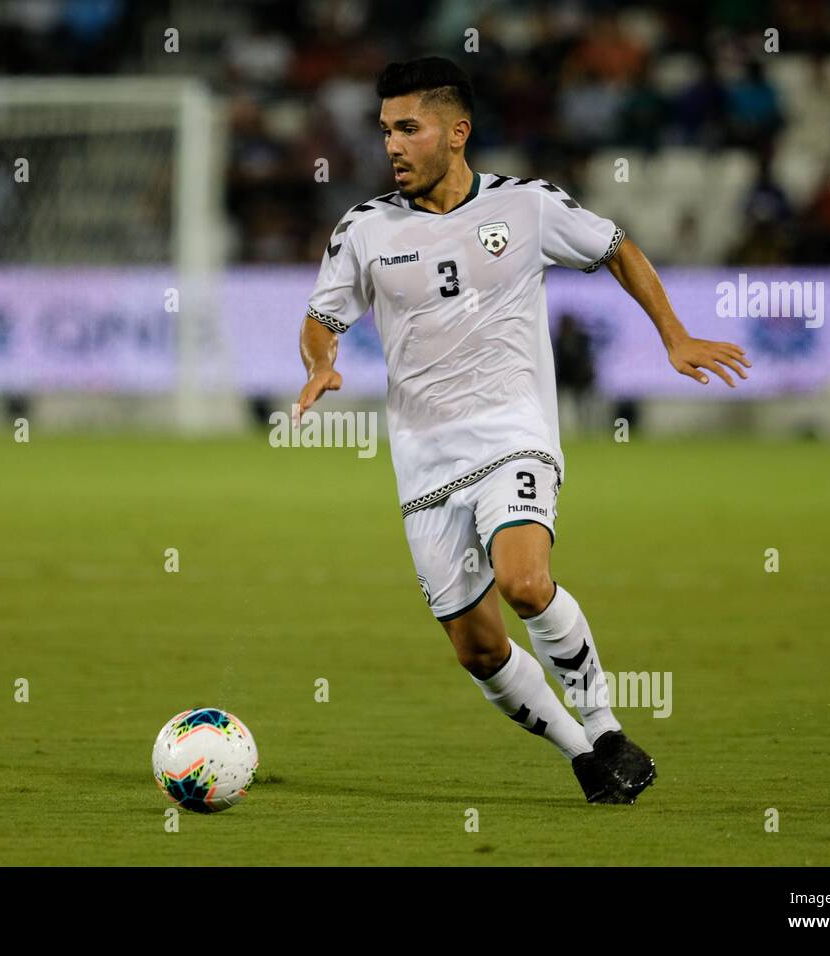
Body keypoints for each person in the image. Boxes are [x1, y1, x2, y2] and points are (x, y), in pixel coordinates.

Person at [296, 57, 751, 804]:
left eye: (409, 128)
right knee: (477, 649)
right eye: (385, 132)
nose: (393, 146)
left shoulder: (528, 207)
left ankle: (604, 726)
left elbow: (615, 246)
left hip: (513, 429)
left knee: (524, 581)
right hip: (421, 455)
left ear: (456, 131)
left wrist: (674, 334)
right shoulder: (365, 229)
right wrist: (321, 364)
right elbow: (322, 320)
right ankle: (584, 757)